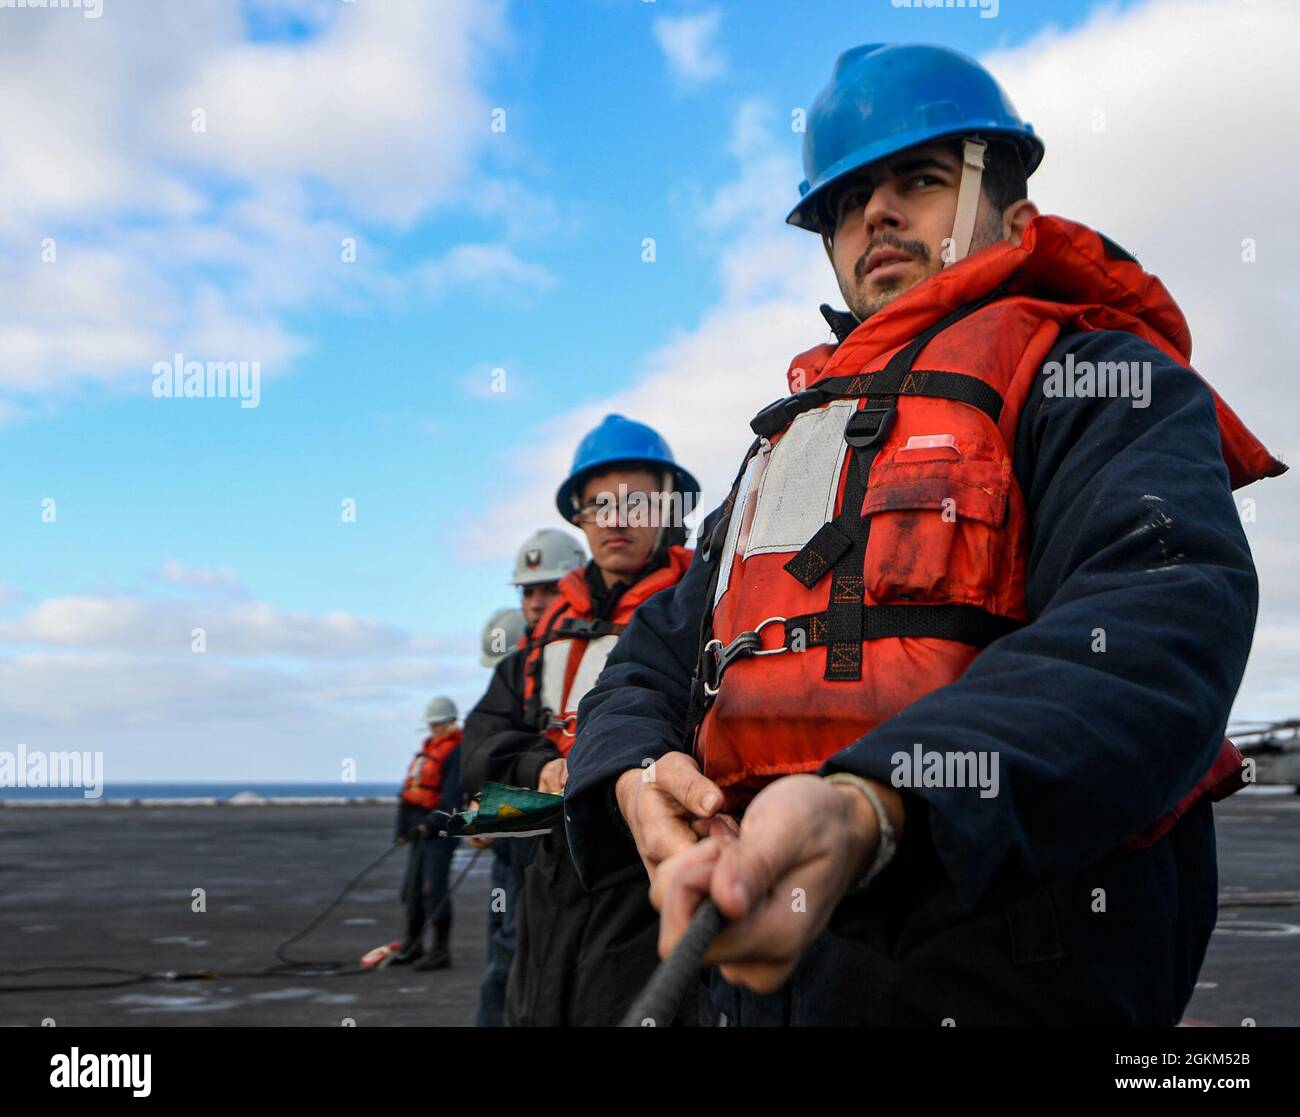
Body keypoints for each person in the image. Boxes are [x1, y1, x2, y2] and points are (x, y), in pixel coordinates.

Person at [564, 43, 1284, 1026]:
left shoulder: (1098, 379)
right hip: (761, 966)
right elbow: (652, 654)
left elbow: (1156, 621)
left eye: (920, 180)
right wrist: (637, 771)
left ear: (1009, 205)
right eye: (848, 198)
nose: (878, 214)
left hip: (1009, 960)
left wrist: (878, 804)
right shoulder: (787, 445)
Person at [462, 415, 699, 1026]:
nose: (616, 519)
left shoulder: (704, 611)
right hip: (545, 871)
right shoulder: (543, 637)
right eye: (599, 504)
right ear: (581, 516)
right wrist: (539, 767)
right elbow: (483, 737)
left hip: (646, 871)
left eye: (636, 503)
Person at [471, 529, 584, 1025]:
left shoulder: (605, 651)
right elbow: (486, 744)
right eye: (528, 591)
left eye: (549, 588)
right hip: (522, 838)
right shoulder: (519, 667)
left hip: (582, 836)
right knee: (509, 958)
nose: (537, 602)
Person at [393, 696, 463, 971]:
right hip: (417, 828)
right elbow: (408, 794)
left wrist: (430, 825)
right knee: (412, 890)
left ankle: (440, 950)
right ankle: (412, 945)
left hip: (440, 831)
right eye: (432, 725)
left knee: (435, 889)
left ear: (450, 723)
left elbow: (452, 799)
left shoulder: (456, 753)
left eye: (439, 724)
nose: (435, 730)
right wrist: (402, 830)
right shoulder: (426, 752)